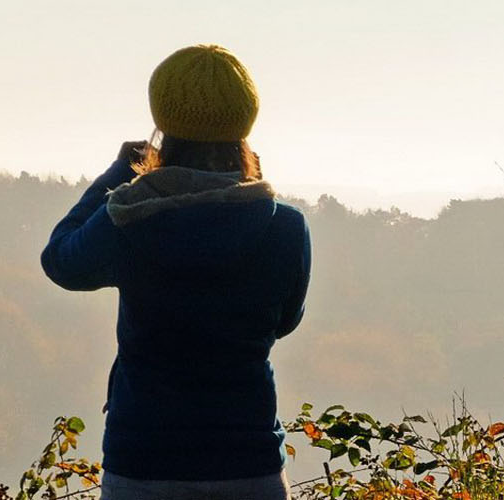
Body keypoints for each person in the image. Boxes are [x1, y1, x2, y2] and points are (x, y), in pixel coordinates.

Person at [40, 44, 309, 499]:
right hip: (248, 459)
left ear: (163, 122)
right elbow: (284, 321)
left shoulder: (129, 218)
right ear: (245, 123)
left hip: (144, 460)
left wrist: (116, 175)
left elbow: (61, 262)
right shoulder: (283, 226)